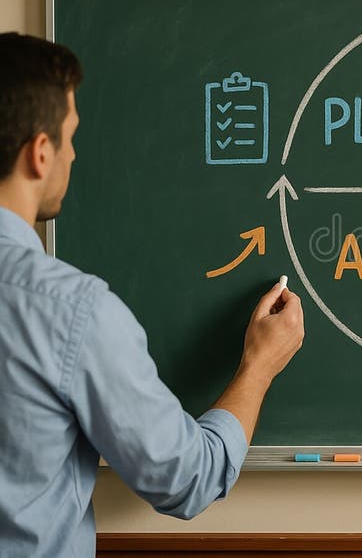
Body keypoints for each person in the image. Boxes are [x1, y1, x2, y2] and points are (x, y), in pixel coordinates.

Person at [0, 32, 306, 557]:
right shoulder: (69, 312)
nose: (75, 152)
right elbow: (186, 478)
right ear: (41, 153)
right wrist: (259, 365)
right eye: (70, 136)